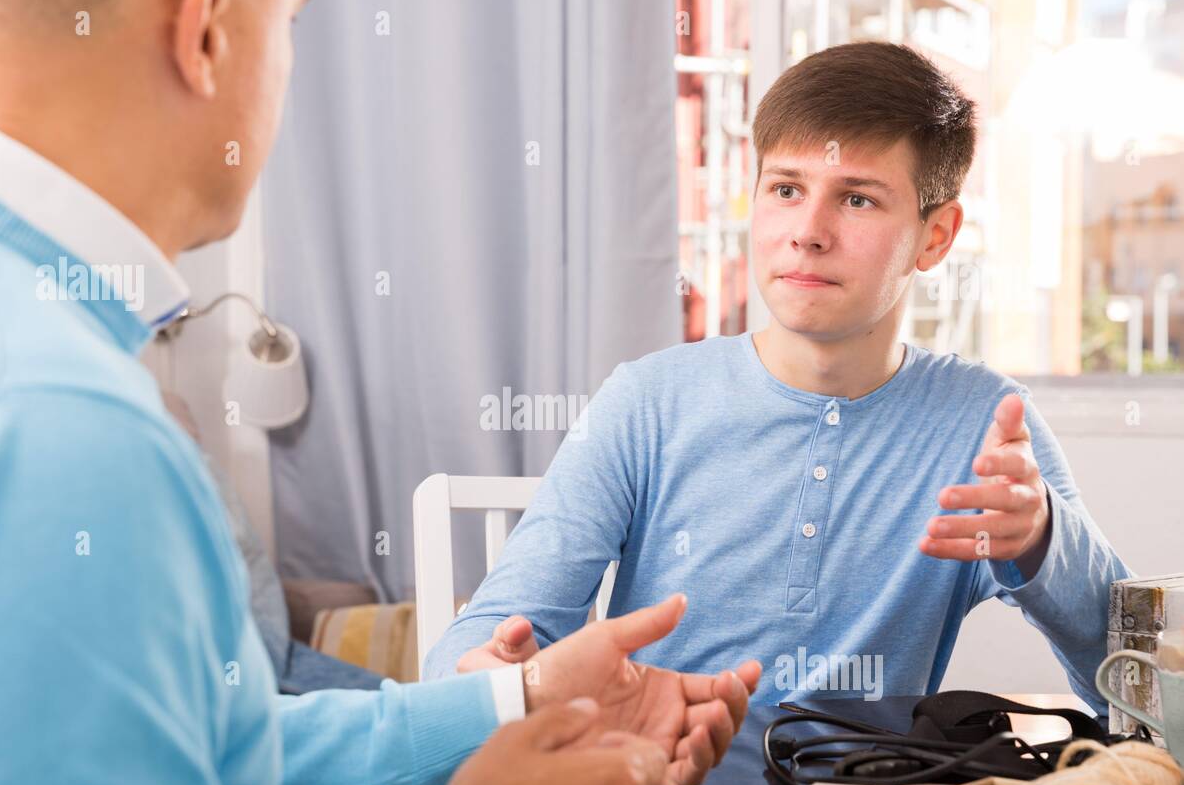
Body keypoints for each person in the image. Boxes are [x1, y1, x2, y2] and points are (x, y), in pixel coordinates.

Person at [0, 0, 762, 785]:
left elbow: (198, 751)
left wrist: (518, 700)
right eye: (292, 21)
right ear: (210, 28)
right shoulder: (56, 427)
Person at [424, 42, 1131, 719]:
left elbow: (1131, 681)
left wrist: (1041, 539)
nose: (808, 231)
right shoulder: (647, 401)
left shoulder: (986, 423)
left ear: (935, 236)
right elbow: (476, 645)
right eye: (786, 189)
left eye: (857, 199)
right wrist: (492, 679)